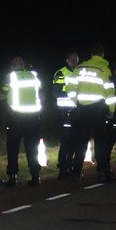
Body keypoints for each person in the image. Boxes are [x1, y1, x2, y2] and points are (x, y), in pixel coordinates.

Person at [67, 44, 116, 182]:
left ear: (91, 54)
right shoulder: (104, 69)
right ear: (102, 55)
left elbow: (70, 87)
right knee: (101, 142)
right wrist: (112, 110)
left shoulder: (80, 67)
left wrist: (76, 101)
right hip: (99, 109)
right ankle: (103, 172)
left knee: (81, 141)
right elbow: (109, 93)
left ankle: (76, 172)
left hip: (82, 109)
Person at [0, 56, 43, 186]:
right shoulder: (34, 76)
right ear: (23, 65)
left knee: (13, 147)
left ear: (12, 66)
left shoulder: (10, 77)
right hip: (33, 117)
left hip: (16, 117)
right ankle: (35, 176)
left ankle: (13, 177)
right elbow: (42, 95)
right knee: (32, 148)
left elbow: (1, 96)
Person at [53, 51, 79, 180]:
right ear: (67, 60)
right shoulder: (60, 73)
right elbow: (56, 93)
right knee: (65, 141)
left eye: (76, 60)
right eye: (72, 60)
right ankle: (63, 169)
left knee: (75, 141)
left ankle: (70, 164)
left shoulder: (80, 73)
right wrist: (73, 95)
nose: (75, 62)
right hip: (65, 112)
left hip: (77, 112)